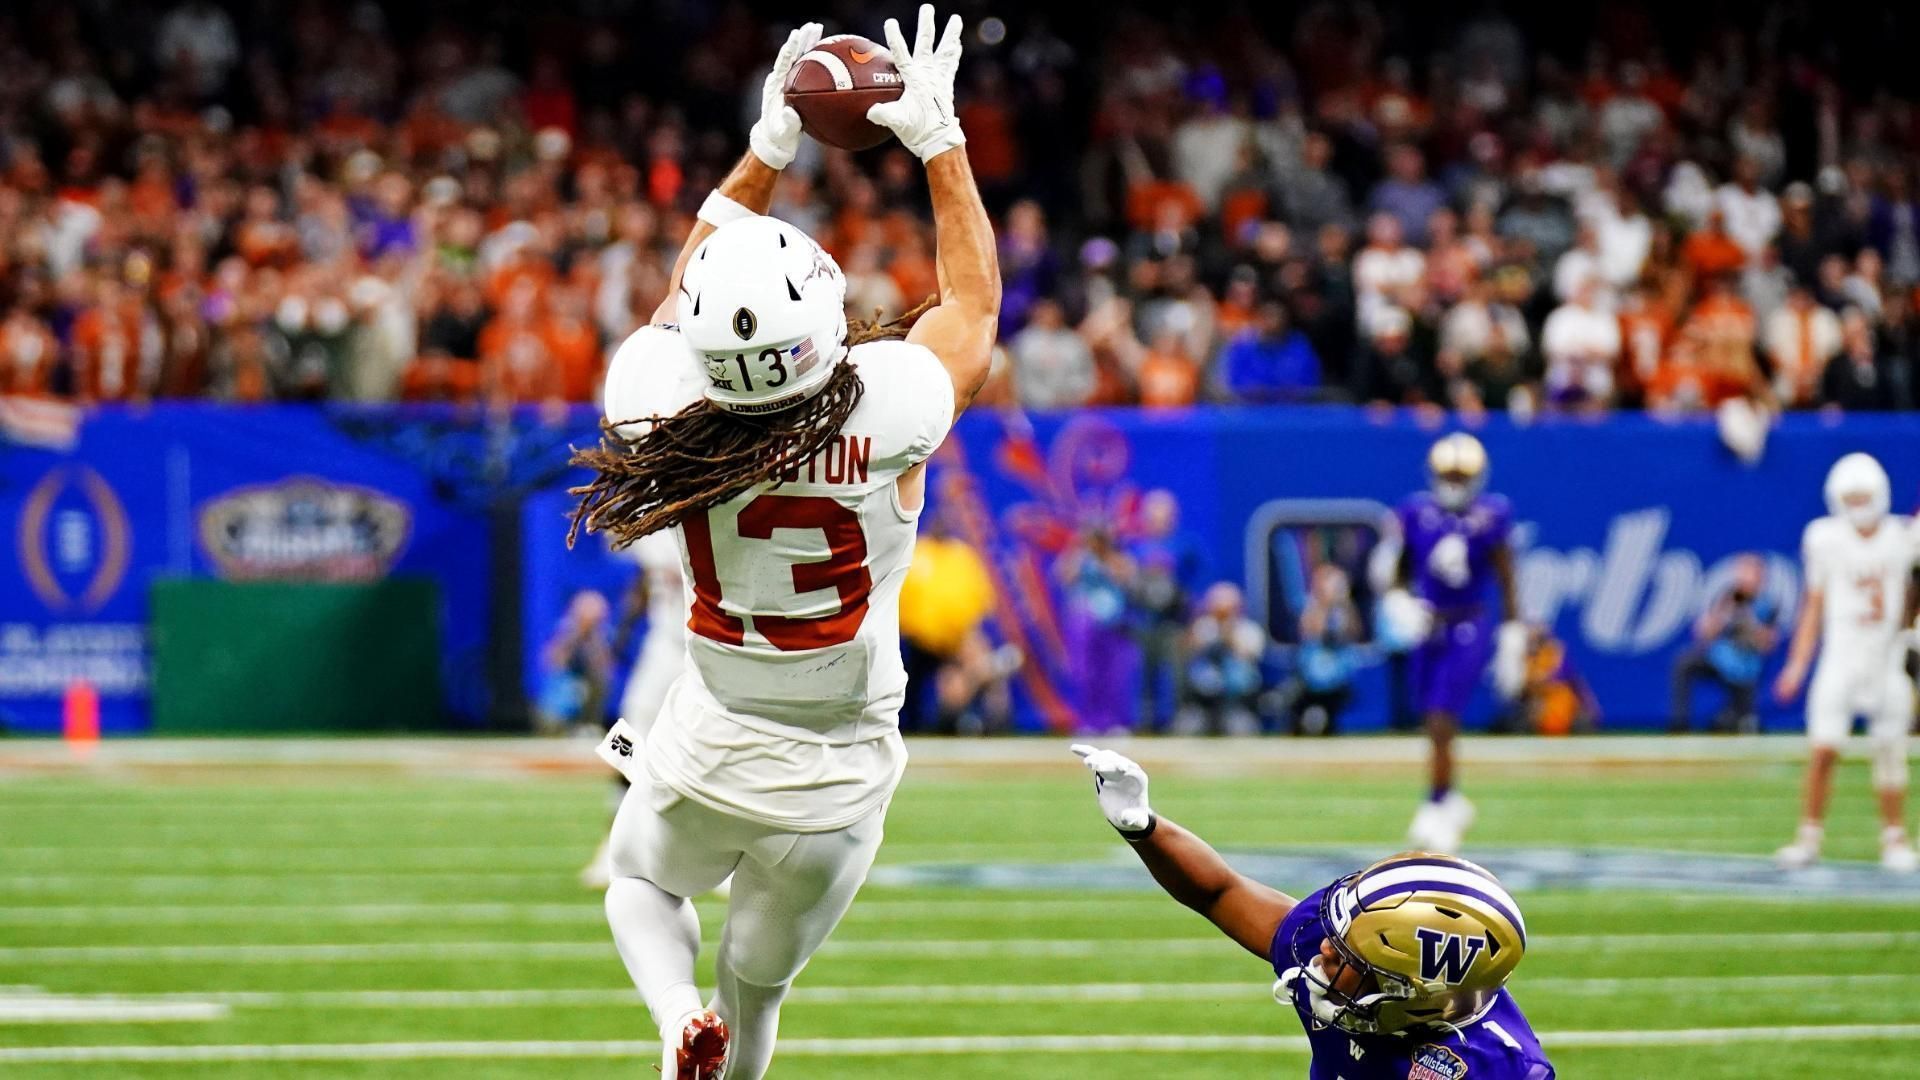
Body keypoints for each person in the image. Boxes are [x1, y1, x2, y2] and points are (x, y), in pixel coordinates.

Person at [564, 9, 999, 1077]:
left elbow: (682, 298)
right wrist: (939, 142)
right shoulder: (888, 403)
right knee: (758, 992)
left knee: (640, 884)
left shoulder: (660, 408)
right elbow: (974, 305)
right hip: (843, 761)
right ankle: (725, 1037)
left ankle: (674, 1022)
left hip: (716, 727)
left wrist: (764, 151)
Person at [1069, 745, 1555, 1080]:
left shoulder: (1502, 1068)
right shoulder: (1342, 959)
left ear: (1412, 995)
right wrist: (1143, 828)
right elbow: (1219, 892)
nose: (1322, 950)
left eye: (1350, 958)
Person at [1374, 433, 1524, 854]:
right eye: (1448, 474)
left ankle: (1439, 800)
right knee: (1430, 718)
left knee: (1443, 718)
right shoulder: (1415, 512)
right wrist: (1398, 598)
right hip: (1428, 624)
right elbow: (1395, 567)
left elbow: (1507, 578)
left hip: (1466, 625)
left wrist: (1512, 635)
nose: (1454, 483)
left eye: (1462, 475)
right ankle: (1448, 798)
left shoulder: (1491, 517)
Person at [1771, 454, 1919, 873]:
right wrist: (1798, 664)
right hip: (1841, 655)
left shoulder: (1902, 538)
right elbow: (1813, 605)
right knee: (1823, 749)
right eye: (1850, 496)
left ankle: (1895, 839)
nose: (1857, 503)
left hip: (1885, 657)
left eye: (1863, 495)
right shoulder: (1825, 538)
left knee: (1891, 751)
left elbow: (1914, 592)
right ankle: (1809, 837)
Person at [581, 530, 688, 889]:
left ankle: (731, 855)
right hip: (666, 644)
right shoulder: (658, 524)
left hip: (719, 646)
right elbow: (641, 575)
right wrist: (622, 634)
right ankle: (616, 840)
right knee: (624, 738)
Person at [1669, 554, 1779, 734]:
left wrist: (1750, 625)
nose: (1746, 579)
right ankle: (1679, 723)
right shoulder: (1726, 597)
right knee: (1683, 663)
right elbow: (1702, 633)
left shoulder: (1767, 605)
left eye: (1751, 574)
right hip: (1719, 660)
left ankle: (1730, 717)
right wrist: (1722, 616)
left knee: (1735, 724)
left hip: (1745, 669)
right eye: (1742, 573)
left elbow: (1768, 644)